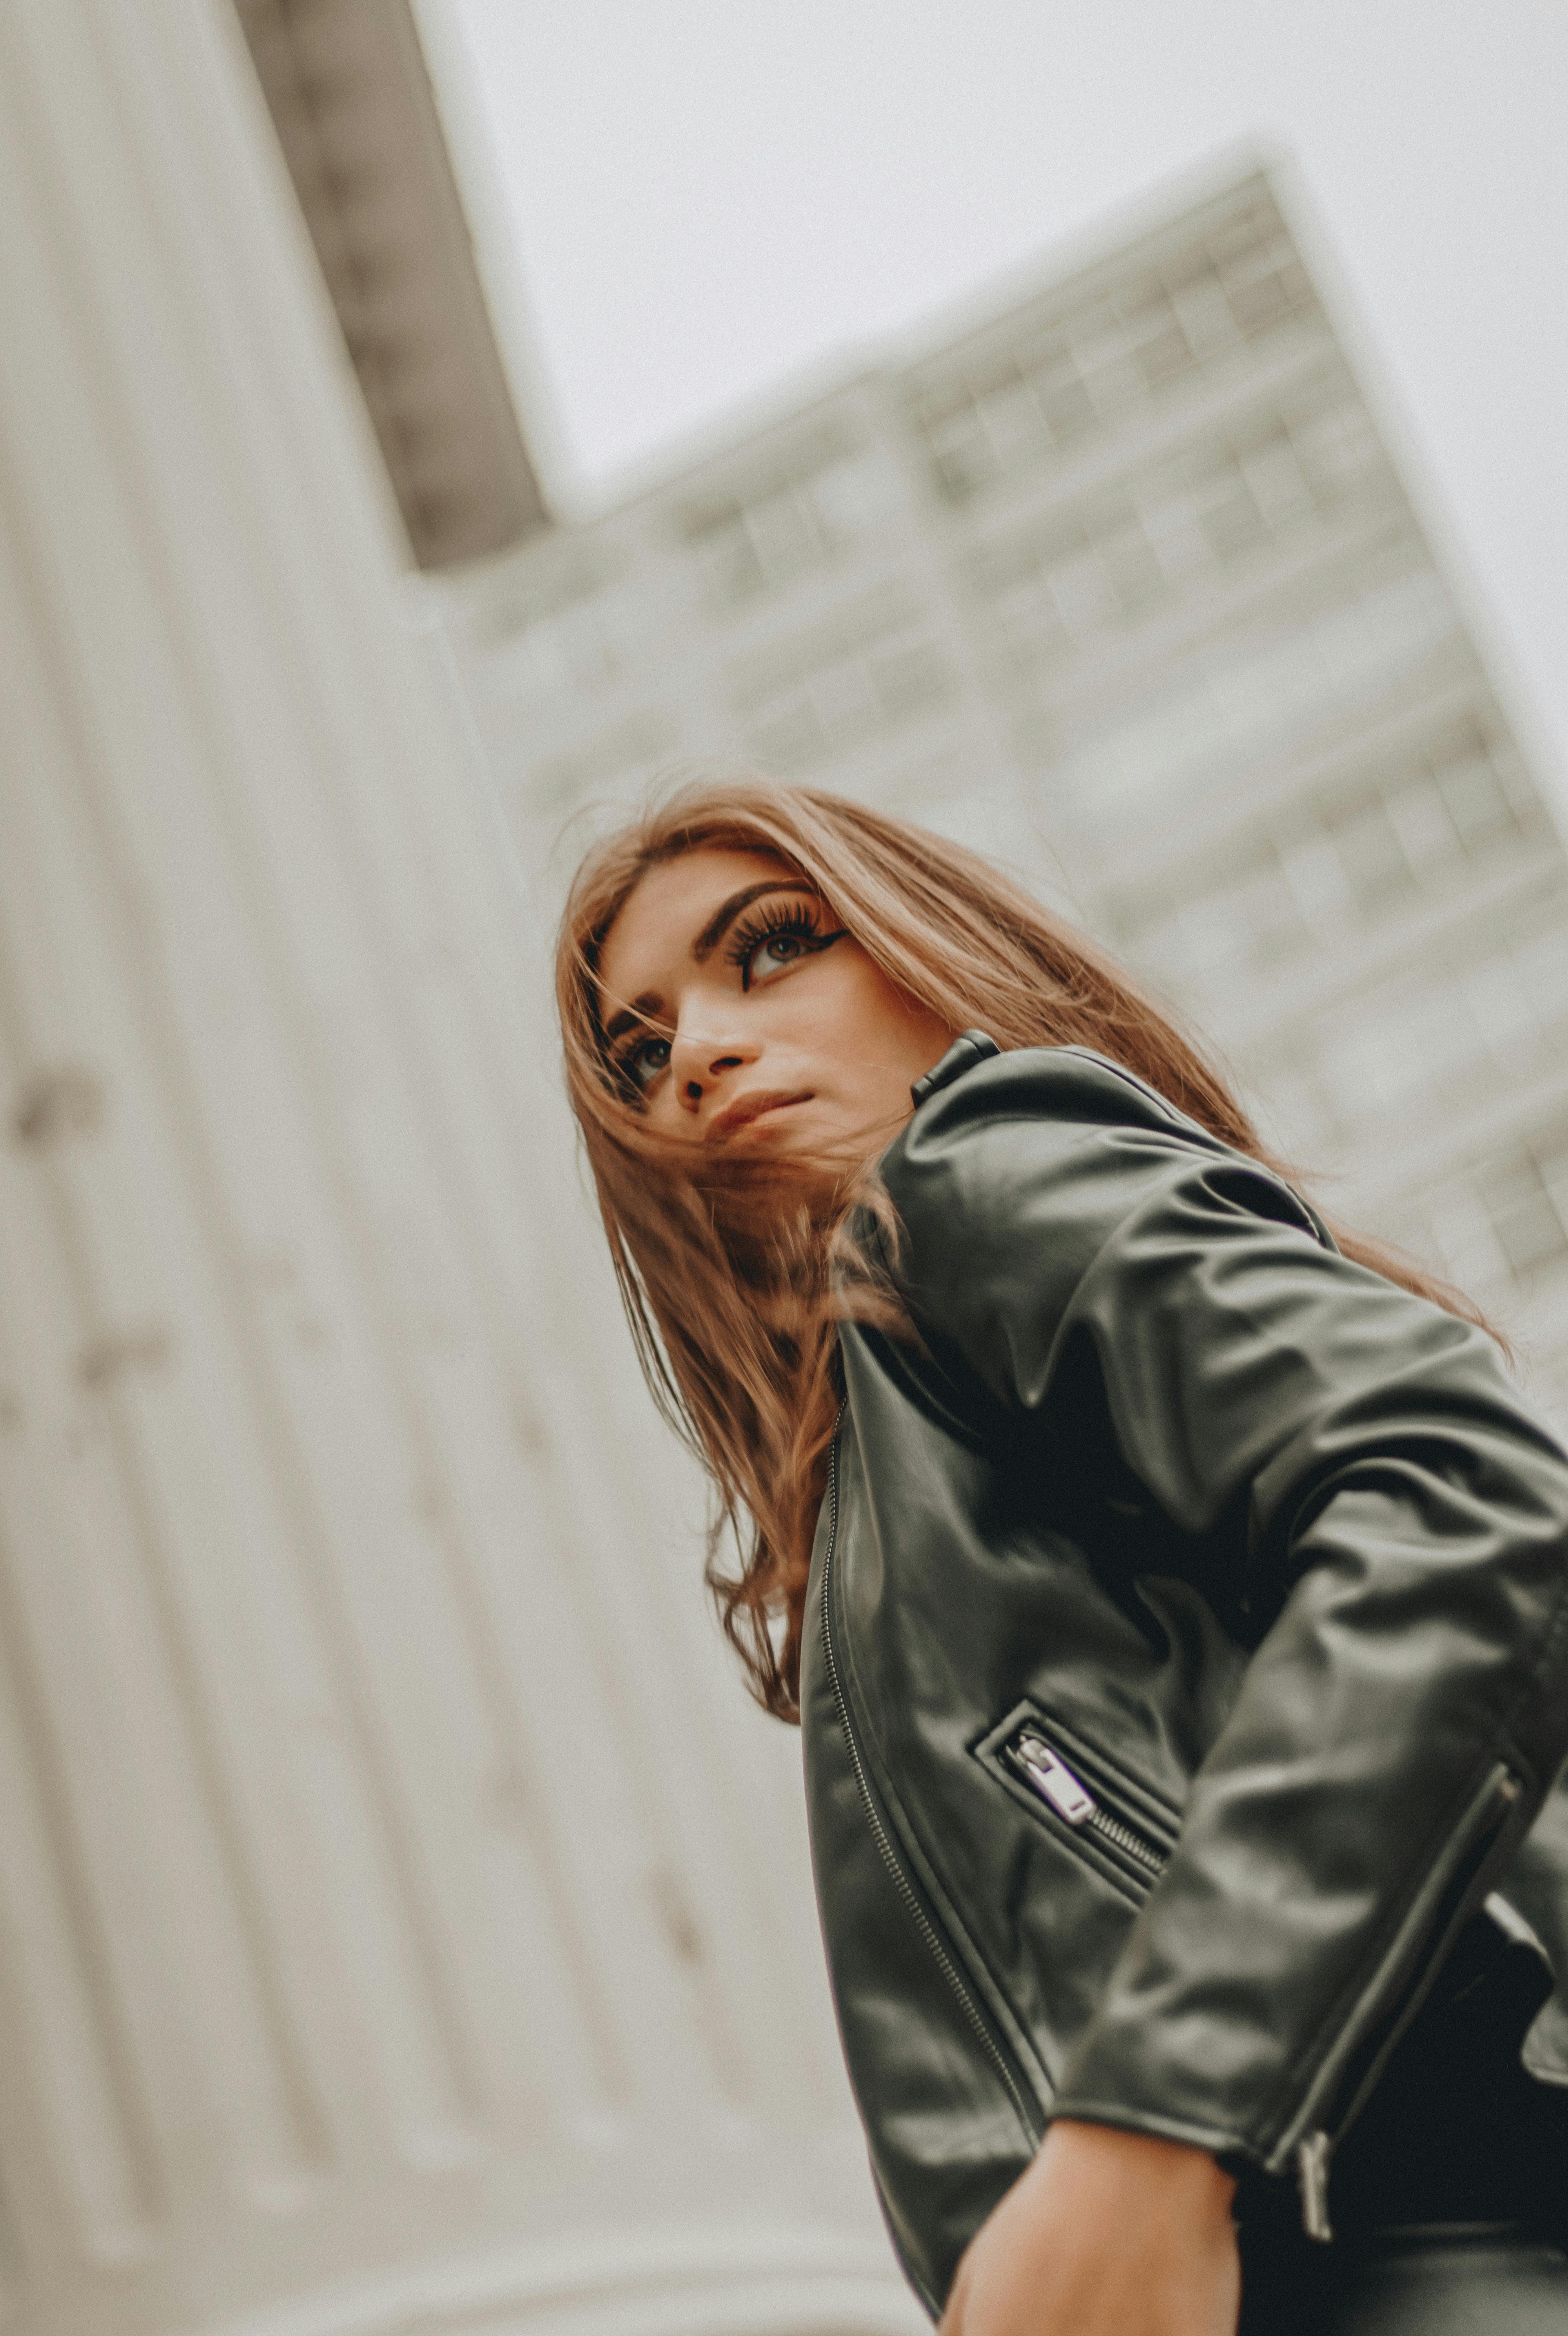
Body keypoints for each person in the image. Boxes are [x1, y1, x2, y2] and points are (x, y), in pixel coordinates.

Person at [555, 777, 1568, 2334]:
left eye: (767, 948)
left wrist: (1147, 2137)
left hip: (1406, 2232)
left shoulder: (972, 1175)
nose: (692, 1052)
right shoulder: (893, 1462)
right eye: (639, 1048)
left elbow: (1452, 1496)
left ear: (930, 951)